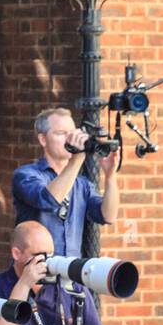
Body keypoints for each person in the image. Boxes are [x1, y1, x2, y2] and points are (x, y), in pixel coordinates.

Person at [12, 107, 119, 259]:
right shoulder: (26, 175)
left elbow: (108, 216)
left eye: (71, 133)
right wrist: (77, 159)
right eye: (61, 133)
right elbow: (48, 199)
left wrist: (110, 176)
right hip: (36, 273)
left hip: (70, 274)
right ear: (43, 139)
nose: (69, 139)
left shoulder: (82, 183)